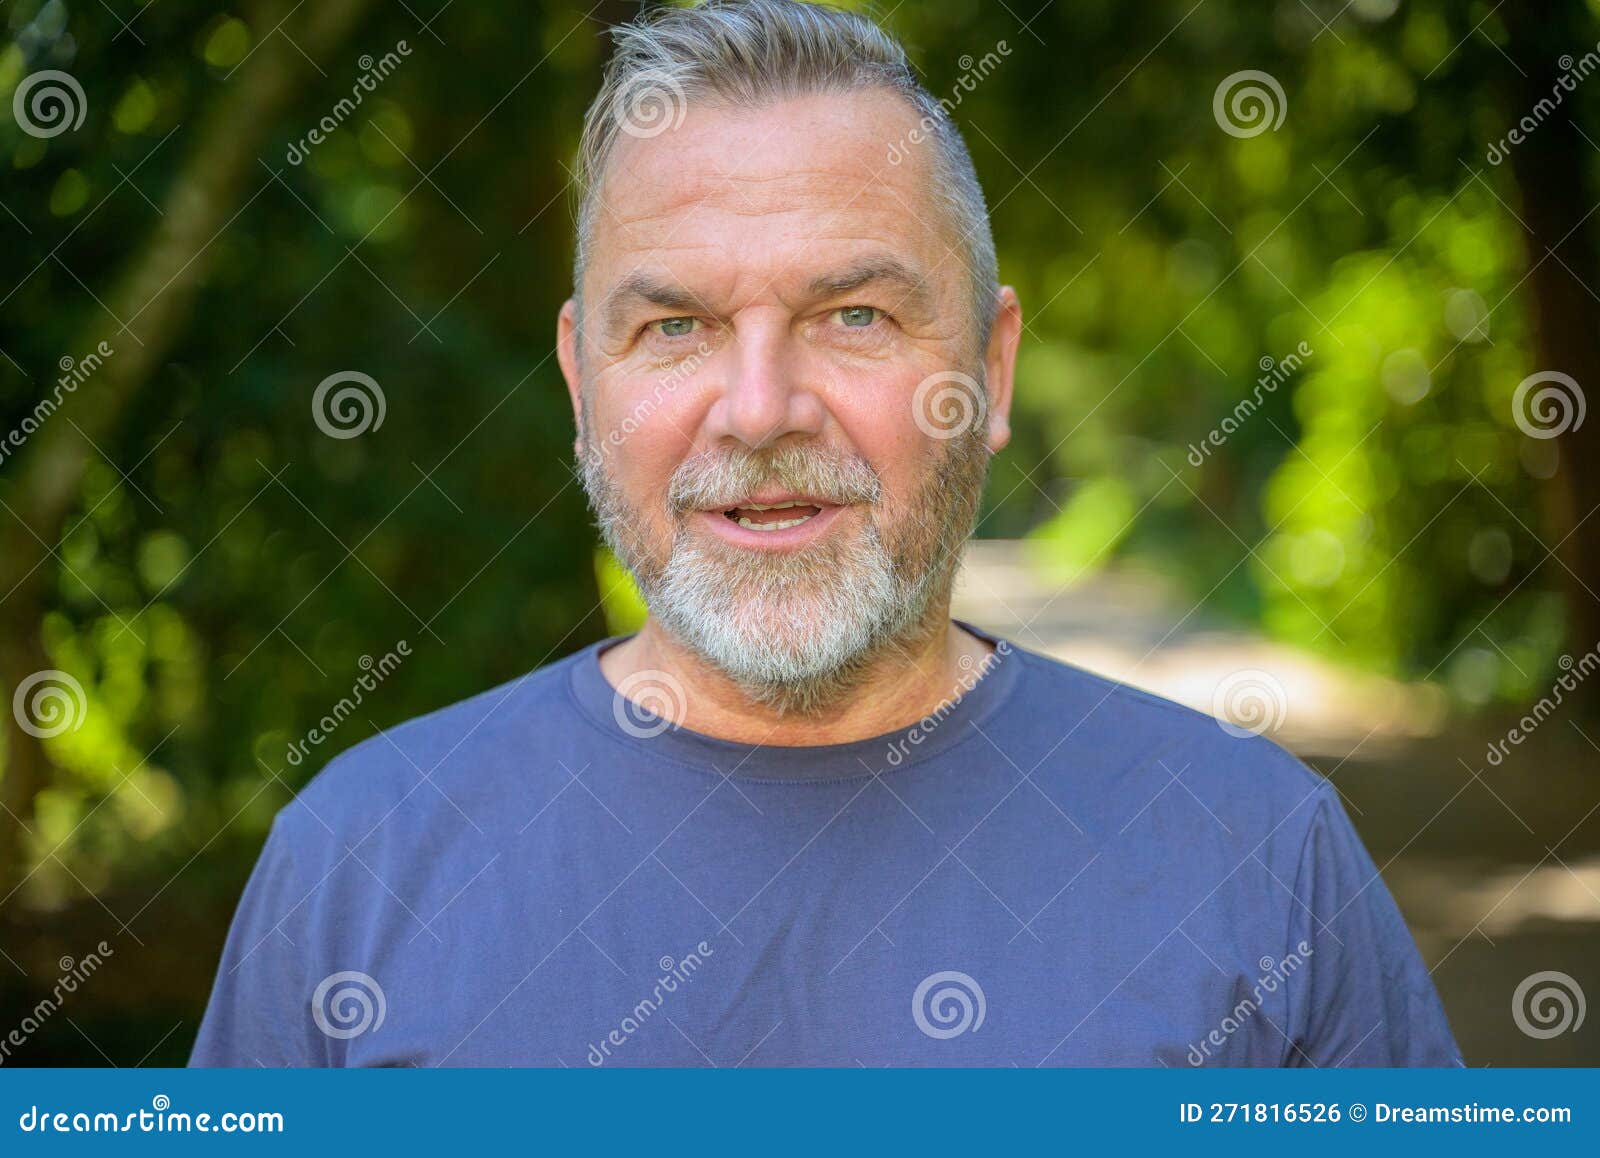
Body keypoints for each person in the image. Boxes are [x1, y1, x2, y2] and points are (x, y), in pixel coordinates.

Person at [191, 0, 1459, 1067]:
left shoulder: (1255, 855)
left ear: (989, 369)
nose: (758, 412)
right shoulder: (354, 867)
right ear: (585, 388)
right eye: (675, 327)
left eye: (853, 314)